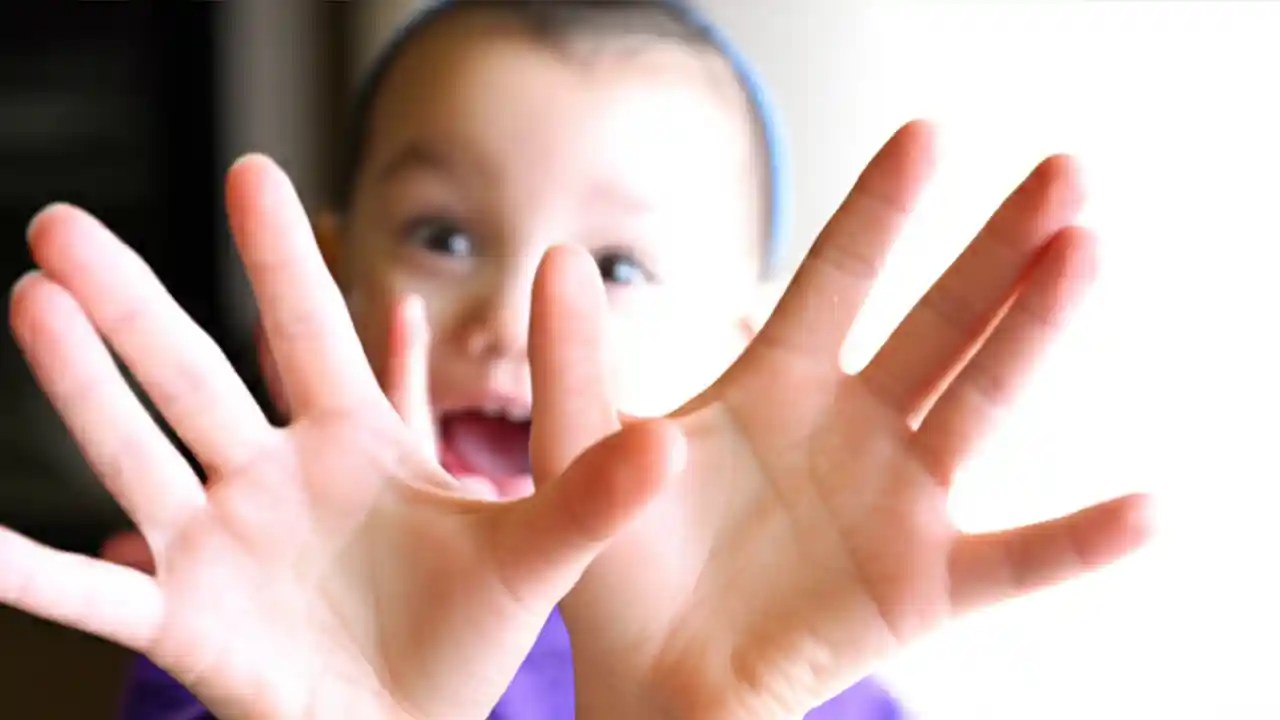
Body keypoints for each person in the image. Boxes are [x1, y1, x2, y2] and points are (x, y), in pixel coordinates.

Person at [3, 1, 1150, 718]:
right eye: (444, 236)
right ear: (335, 279)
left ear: (744, 351)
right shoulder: (252, 628)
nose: (512, 316)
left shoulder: (810, 674)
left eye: (615, 268)